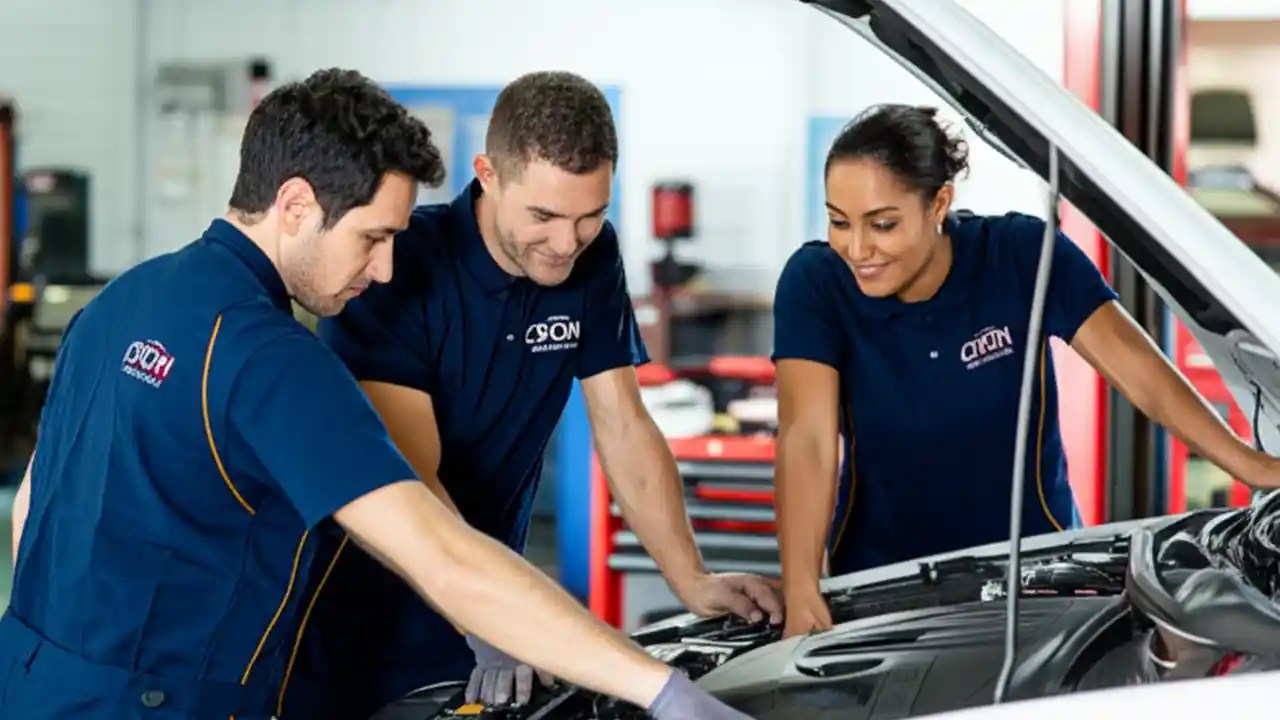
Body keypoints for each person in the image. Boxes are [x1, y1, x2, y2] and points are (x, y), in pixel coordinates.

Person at [0, 68, 750, 720]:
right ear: (295, 205)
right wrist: (658, 689)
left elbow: (35, 505)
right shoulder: (274, 360)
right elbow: (440, 555)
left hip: (31, 680)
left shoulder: (120, 301)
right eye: (371, 237)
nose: (386, 269)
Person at [277, 70, 784, 719]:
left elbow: (623, 426)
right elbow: (407, 476)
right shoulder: (399, 267)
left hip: (499, 611)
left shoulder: (589, 259)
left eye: (590, 216)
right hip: (363, 621)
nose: (566, 242)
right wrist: (488, 621)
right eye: (543, 215)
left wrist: (691, 578)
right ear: (488, 173)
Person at [771, 103, 1280, 639]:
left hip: (1035, 573)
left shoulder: (1020, 255)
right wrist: (802, 584)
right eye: (838, 221)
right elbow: (807, 438)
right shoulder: (816, 283)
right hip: (881, 583)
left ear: (939, 202)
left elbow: (1141, 373)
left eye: (883, 224)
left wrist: (1246, 464)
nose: (857, 248)